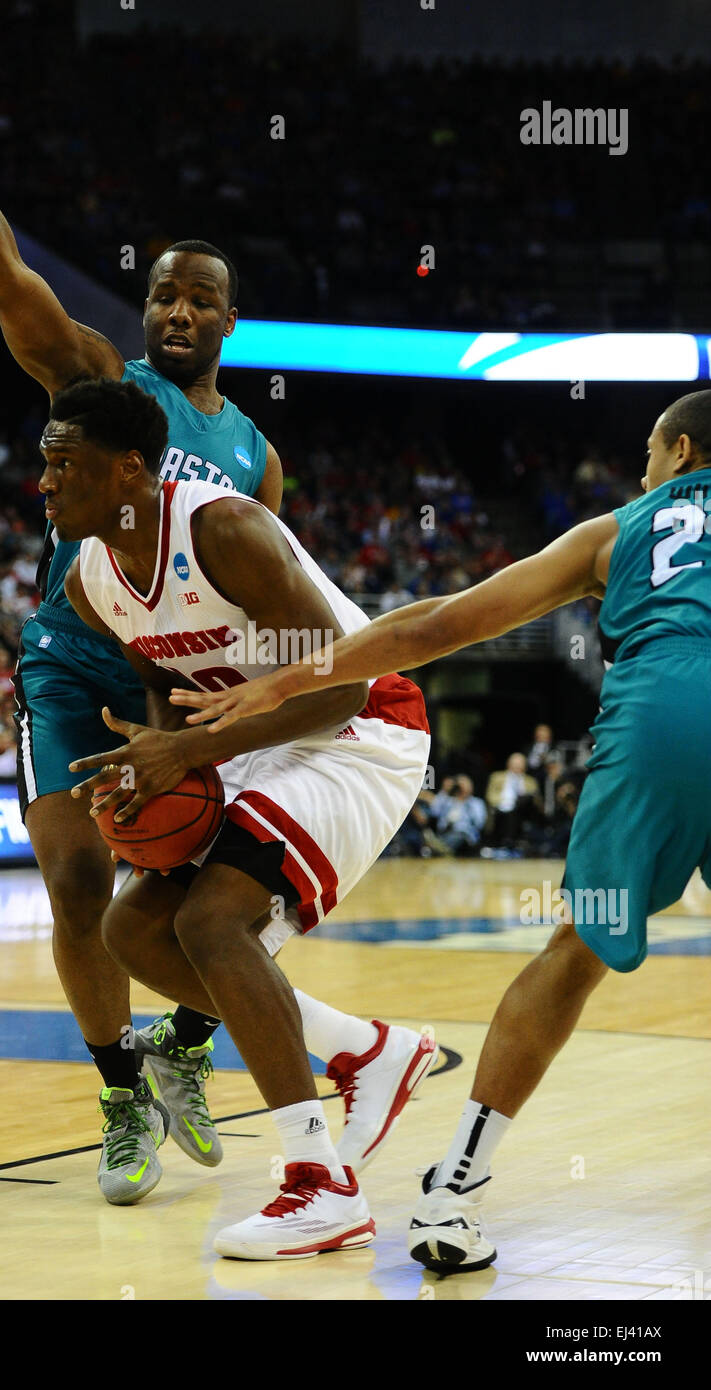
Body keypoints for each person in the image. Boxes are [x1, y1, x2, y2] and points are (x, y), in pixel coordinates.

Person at [0, 28, 432, 1206]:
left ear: (229, 322)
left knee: (213, 890)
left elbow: (278, 628)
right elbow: (14, 291)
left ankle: (197, 1046)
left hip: (188, 671)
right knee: (80, 887)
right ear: (143, 311)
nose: (176, 308)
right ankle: (123, 1086)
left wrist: (215, 718)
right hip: (78, 660)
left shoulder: (254, 463)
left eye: (199, 298)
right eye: (161, 292)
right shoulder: (106, 390)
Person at [170, 388, 711, 1271]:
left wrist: (283, 681)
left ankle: (452, 1193)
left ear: (679, 451)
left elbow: (441, 623)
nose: (642, 468)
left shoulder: (618, 530)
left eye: (649, 452)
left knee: (573, 952)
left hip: (659, 718)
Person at [45, 376, 433, 1256]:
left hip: (358, 729)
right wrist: (152, 764)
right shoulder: (89, 582)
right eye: (44, 463)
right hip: (249, 740)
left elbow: (340, 691)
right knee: (132, 931)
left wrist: (186, 756)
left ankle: (319, 1183)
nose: (44, 483)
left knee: (214, 921)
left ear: (128, 470)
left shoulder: (224, 529)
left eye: (62, 463)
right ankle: (364, 1051)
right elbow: (171, 694)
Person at [418, 775, 487, 857]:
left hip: (466, 835)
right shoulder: (448, 801)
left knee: (460, 834)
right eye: (459, 785)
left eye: (465, 785)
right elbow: (434, 811)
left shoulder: (476, 803)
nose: (462, 788)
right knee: (448, 835)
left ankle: (440, 848)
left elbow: (480, 823)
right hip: (446, 832)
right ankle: (442, 847)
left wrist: (467, 805)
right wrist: (445, 791)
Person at [484, 752, 538, 851]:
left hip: (522, 810)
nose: (517, 766)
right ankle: (506, 843)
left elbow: (535, 800)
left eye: (519, 764)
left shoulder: (530, 781)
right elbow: (490, 795)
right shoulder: (497, 777)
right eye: (515, 764)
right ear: (508, 764)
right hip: (501, 807)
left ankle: (512, 843)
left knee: (521, 804)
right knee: (508, 812)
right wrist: (505, 802)